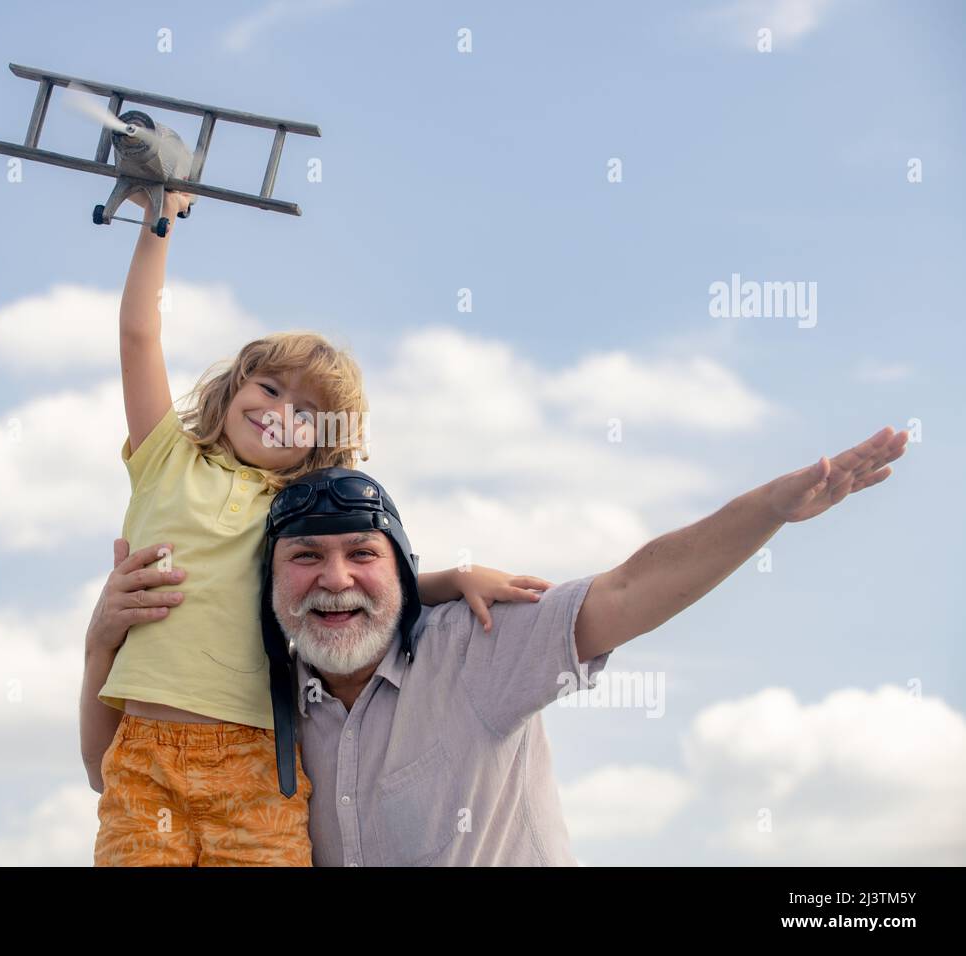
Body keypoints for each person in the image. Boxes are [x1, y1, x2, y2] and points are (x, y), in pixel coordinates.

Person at [87, 425, 908, 865]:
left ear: (404, 573)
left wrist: (769, 508)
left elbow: (628, 589)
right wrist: (103, 647)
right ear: (269, 589)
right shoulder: (257, 699)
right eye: (305, 557)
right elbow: (112, 775)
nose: (334, 578)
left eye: (361, 554)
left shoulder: (475, 647)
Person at [81, 190, 552, 866]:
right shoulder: (166, 458)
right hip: (143, 755)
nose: (278, 411)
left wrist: (457, 577)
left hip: (256, 760)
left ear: (321, 444)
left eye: (305, 412)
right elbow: (137, 336)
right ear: (234, 386)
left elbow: (356, 583)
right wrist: (161, 221)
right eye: (269, 388)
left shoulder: (299, 511)